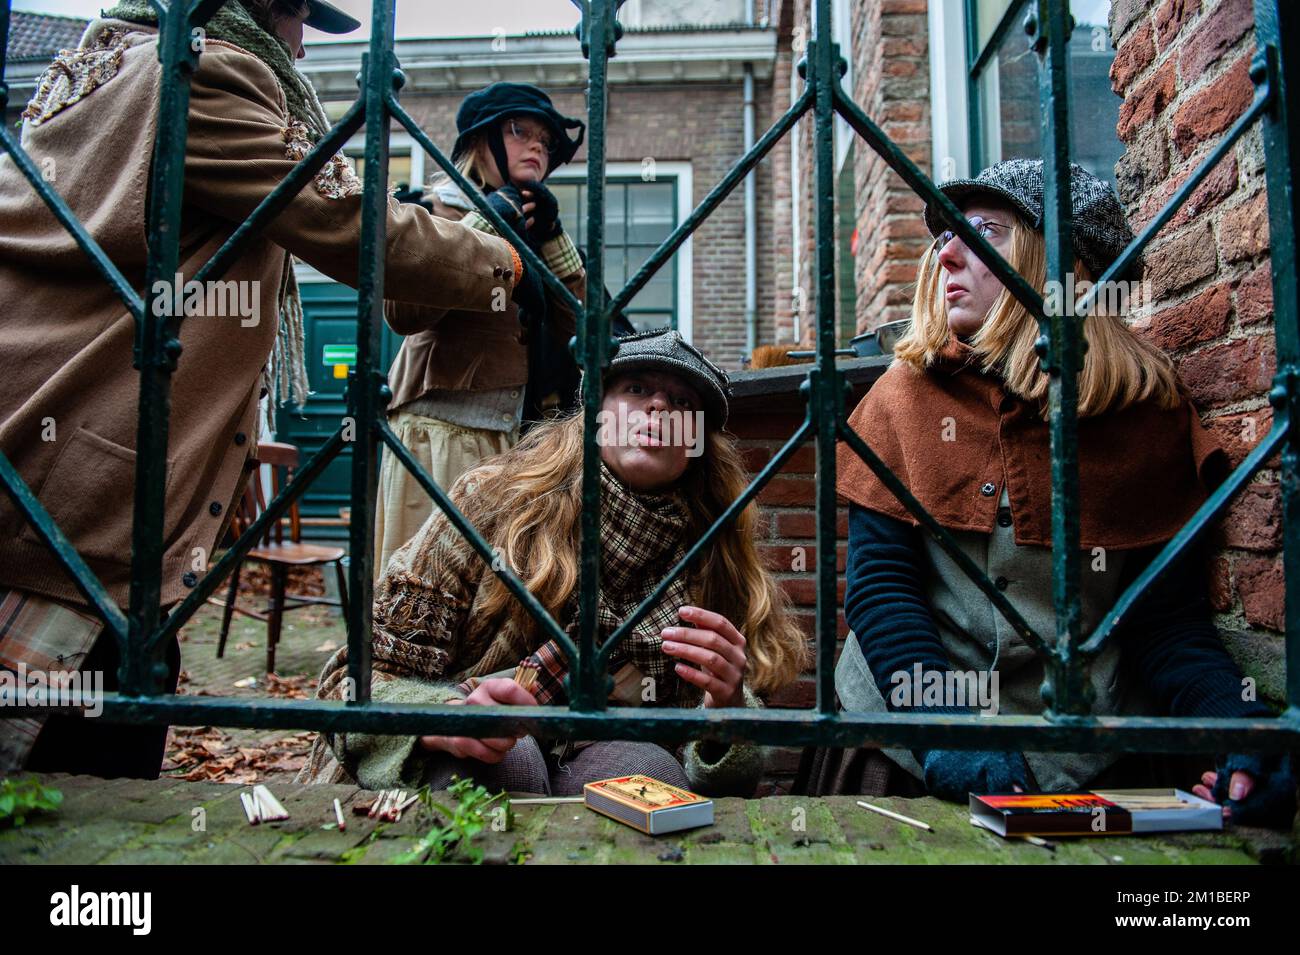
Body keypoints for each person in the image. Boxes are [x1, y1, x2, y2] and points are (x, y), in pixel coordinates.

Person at [0, 1, 543, 776]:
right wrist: (510, 261)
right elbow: (354, 222)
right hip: (84, 490)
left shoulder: (93, 69)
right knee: (69, 780)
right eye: (293, 13)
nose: (299, 42)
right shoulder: (195, 73)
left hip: (40, 438)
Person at [801, 160, 1296, 828]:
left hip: (1092, 763)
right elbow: (880, 591)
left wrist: (1241, 726)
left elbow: (1163, 624)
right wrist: (944, 724)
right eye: (946, 232)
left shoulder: (1145, 414)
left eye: (983, 231)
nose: (946, 250)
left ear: (1063, 272)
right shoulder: (903, 396)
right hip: (905, 756)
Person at [300, 328, 810, 796]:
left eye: (681, 401)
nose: (659, 406)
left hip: (600, 745)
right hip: (465, 749)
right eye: (635, 389)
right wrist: (442, 717)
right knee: (508, 759)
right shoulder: (495, 501)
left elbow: (733, 776)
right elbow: (355, 676)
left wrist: (727, 713)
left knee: (650, 770)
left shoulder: (713, 551)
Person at [374, 81, 590, 580]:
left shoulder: (537, 229)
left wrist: (553, 236)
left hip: (523, 441)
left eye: (546, 139)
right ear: (481, 142)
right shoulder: (431, 209)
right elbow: (404, 311)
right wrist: (487, 221)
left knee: (492, 597)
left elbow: (582, 329)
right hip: (441, 433)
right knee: (423, 585)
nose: (537, 145)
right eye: (520, 131)